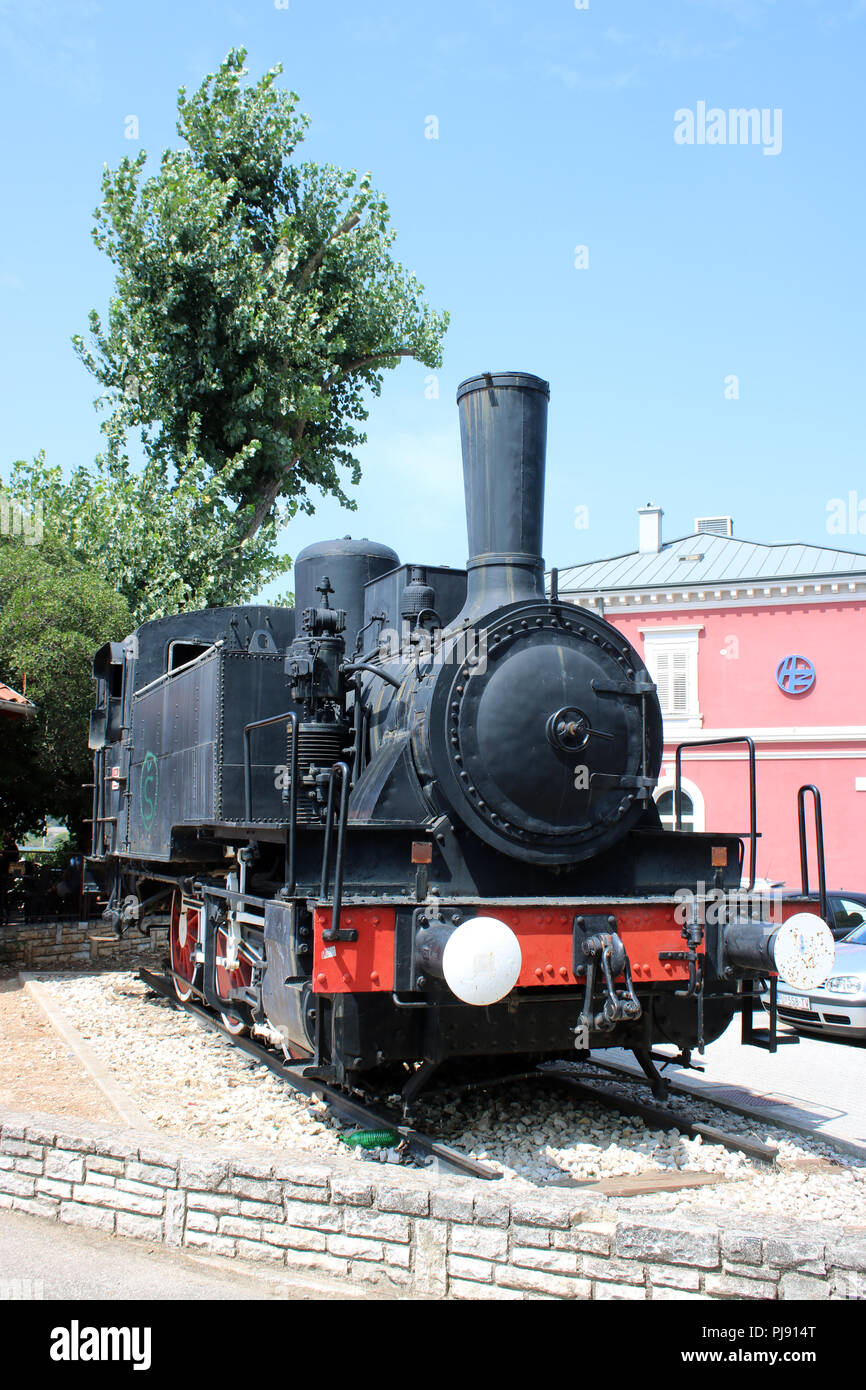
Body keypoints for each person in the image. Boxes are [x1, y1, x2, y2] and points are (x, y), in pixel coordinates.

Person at [0, 833, 20, 925]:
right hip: (6, 874)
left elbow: (6, 860)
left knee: (3, 895)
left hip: (5, 874)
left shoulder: (11, 849)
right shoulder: (11, 848)